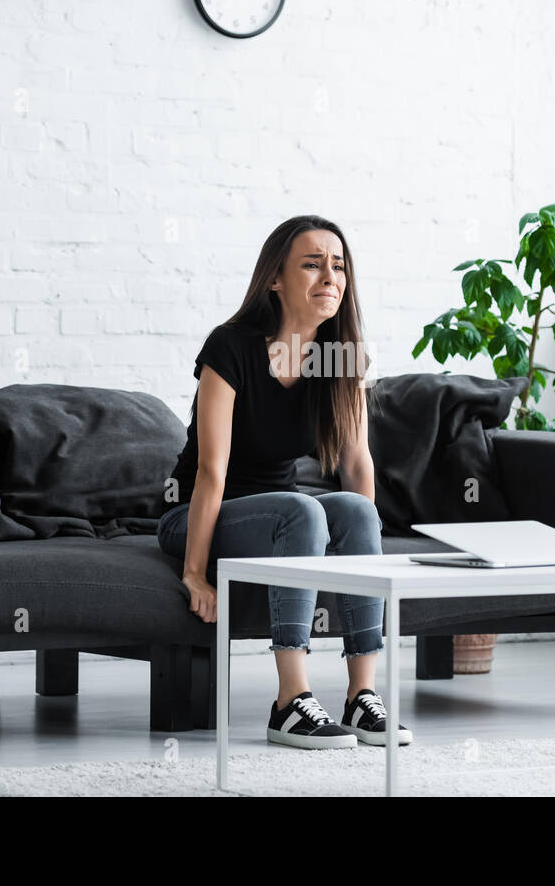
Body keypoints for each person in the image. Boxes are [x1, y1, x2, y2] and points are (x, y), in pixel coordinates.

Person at [157, 214, 412, 750]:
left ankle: (361, 696)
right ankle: (289, 701)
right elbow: (211, 469)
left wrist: (358, 561)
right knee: (304, 510)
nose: (330, 277)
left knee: (356, 509)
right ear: (275, 278)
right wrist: (195, 574)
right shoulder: (231, 348)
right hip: (199, 514)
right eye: (312, 264)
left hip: (281, 520)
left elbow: (358, 465)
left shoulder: (339, 358)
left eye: (338, 266)